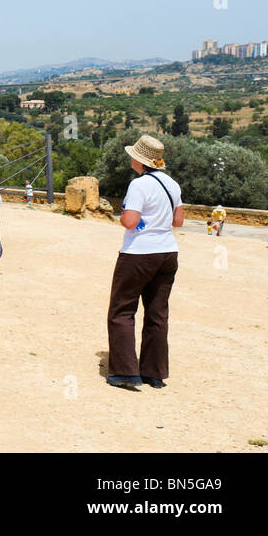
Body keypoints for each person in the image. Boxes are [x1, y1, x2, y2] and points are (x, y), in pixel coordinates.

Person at [107, 134, 183, 390]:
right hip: (168, 253)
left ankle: (125, 371)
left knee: (122, 310)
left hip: (138, 253)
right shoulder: (172, 184)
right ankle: (155, 373)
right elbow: (178, 220)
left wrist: (124, 218)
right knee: (157, 313)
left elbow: (130, 221)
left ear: (140, 160)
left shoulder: (139, 185)